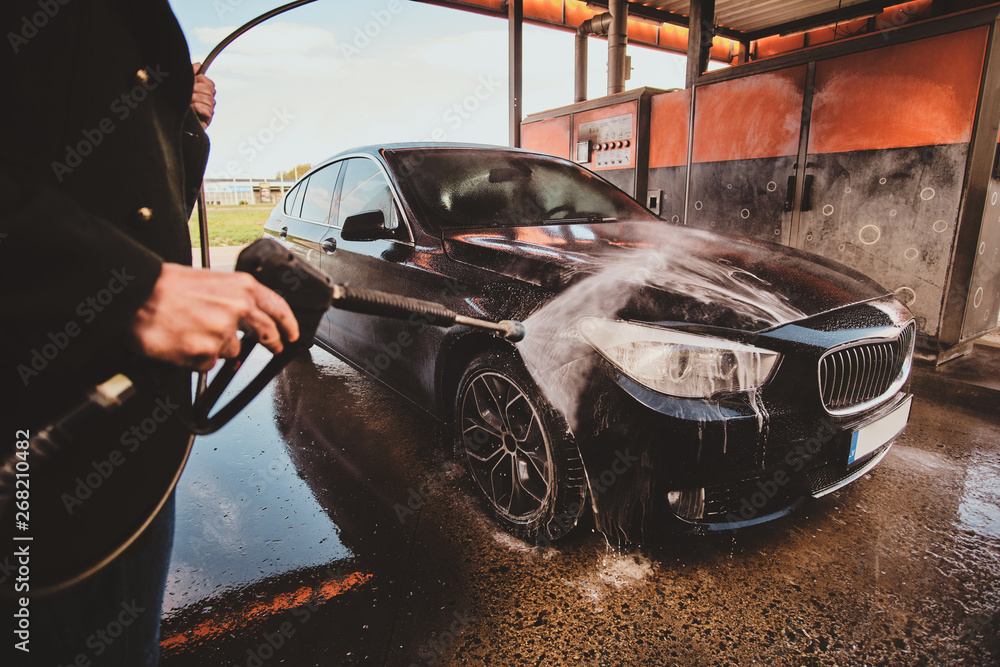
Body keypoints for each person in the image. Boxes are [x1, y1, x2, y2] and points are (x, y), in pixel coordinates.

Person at [0, 1, 298, 664]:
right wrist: (130, 292)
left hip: (133, 456)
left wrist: (176, 122)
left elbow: (141, 199)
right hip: (36, 457)